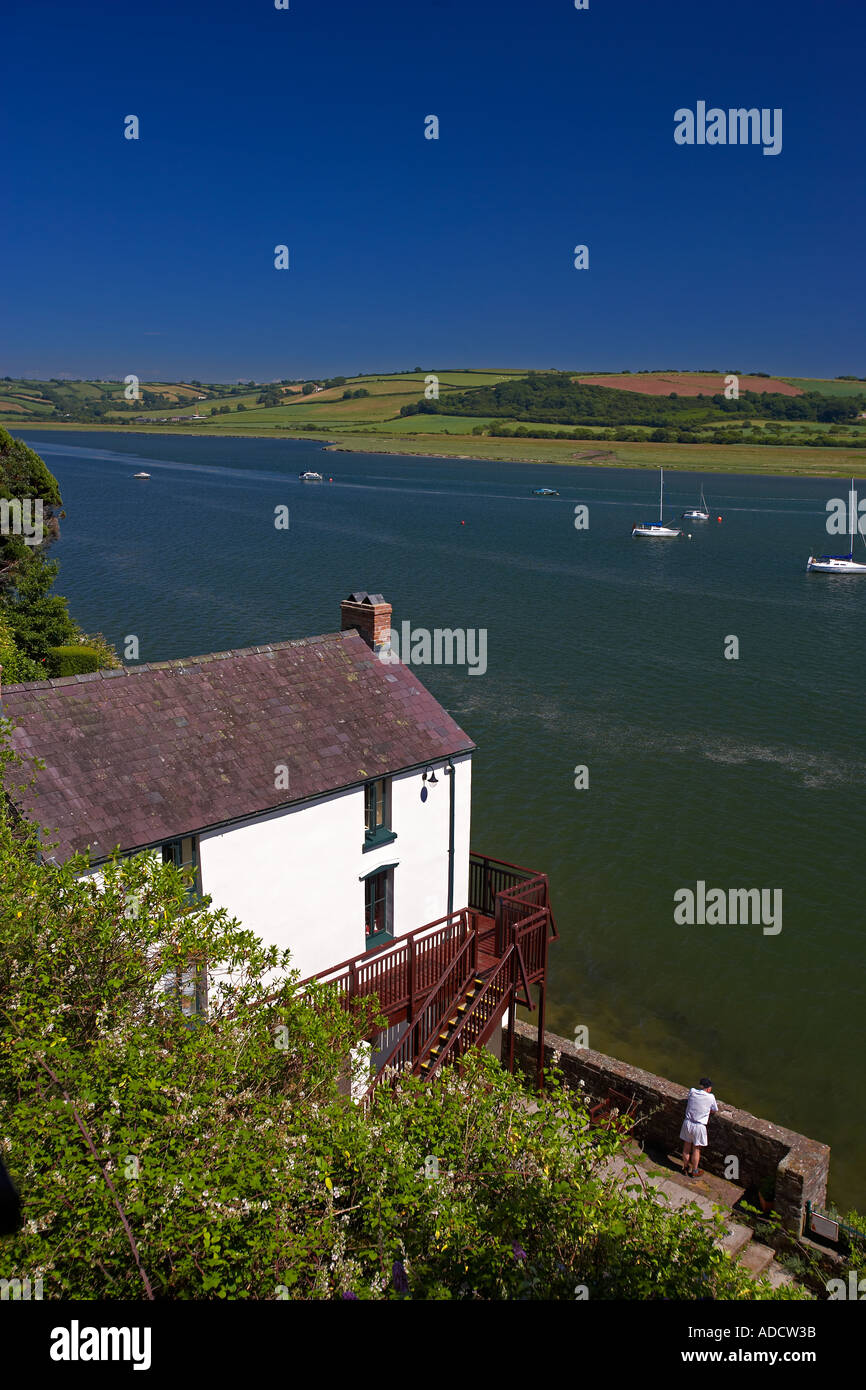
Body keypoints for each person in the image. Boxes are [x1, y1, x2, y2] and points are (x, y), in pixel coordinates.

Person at [680, 1076, 718, 1177]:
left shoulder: (692, 1091)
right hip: (699, 1126)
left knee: (686, 1146)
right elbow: (714, 1110)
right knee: (696, 1149)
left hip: (687, 1123)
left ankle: (685, 1167)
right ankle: (695, 1171)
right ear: (708, 1088)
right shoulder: (711, 1097)